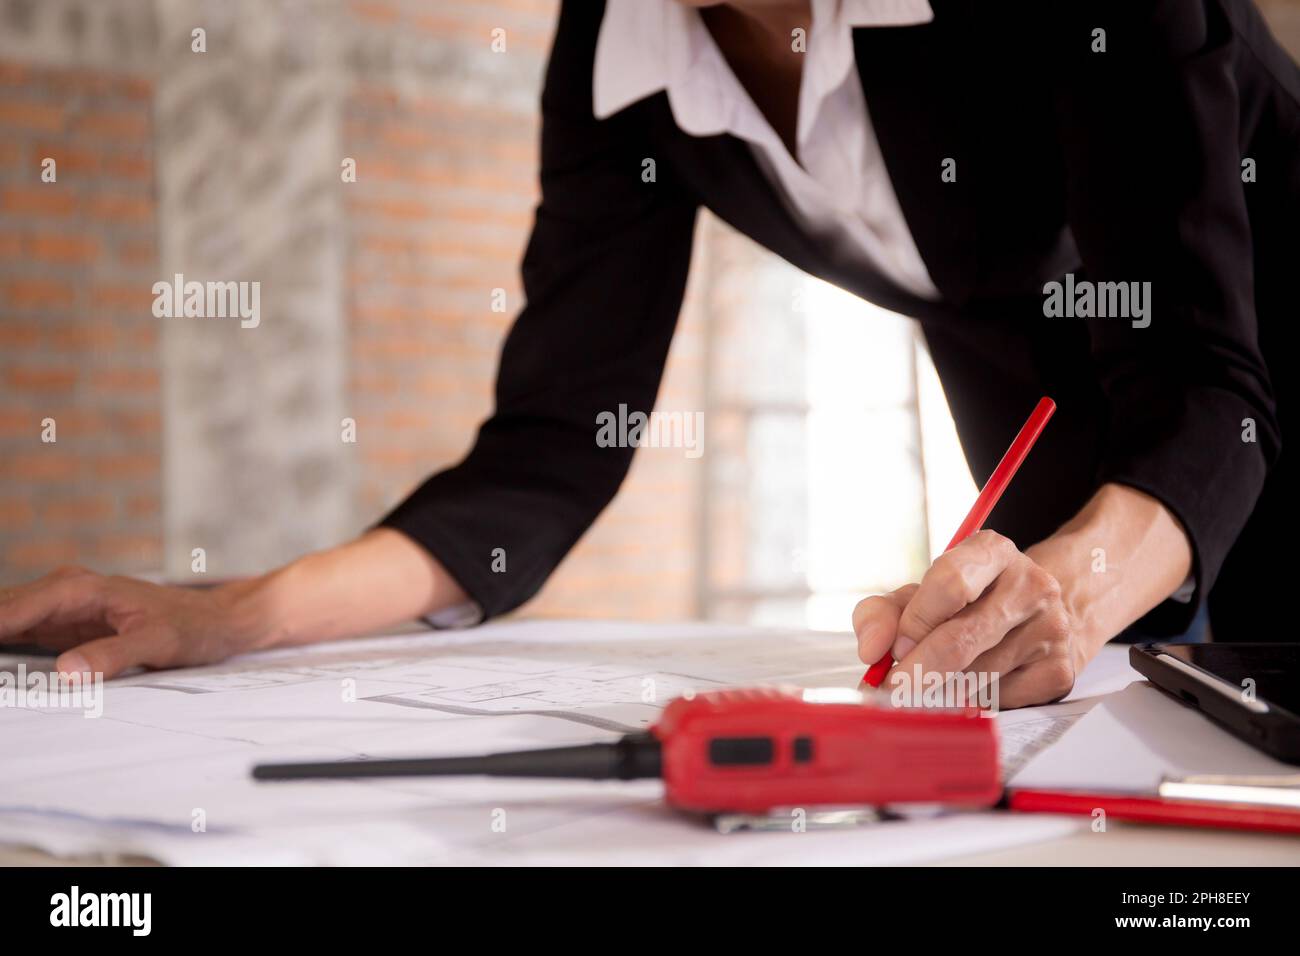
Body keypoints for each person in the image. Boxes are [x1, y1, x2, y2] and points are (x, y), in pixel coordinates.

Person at [1, 0, 1292, 708]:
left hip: (1254, 332)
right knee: (1098, 723)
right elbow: (557, 443)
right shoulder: (617, 53)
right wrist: (239, 613)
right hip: (1039, 404)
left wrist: (1078, 580)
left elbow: (1204, 378)